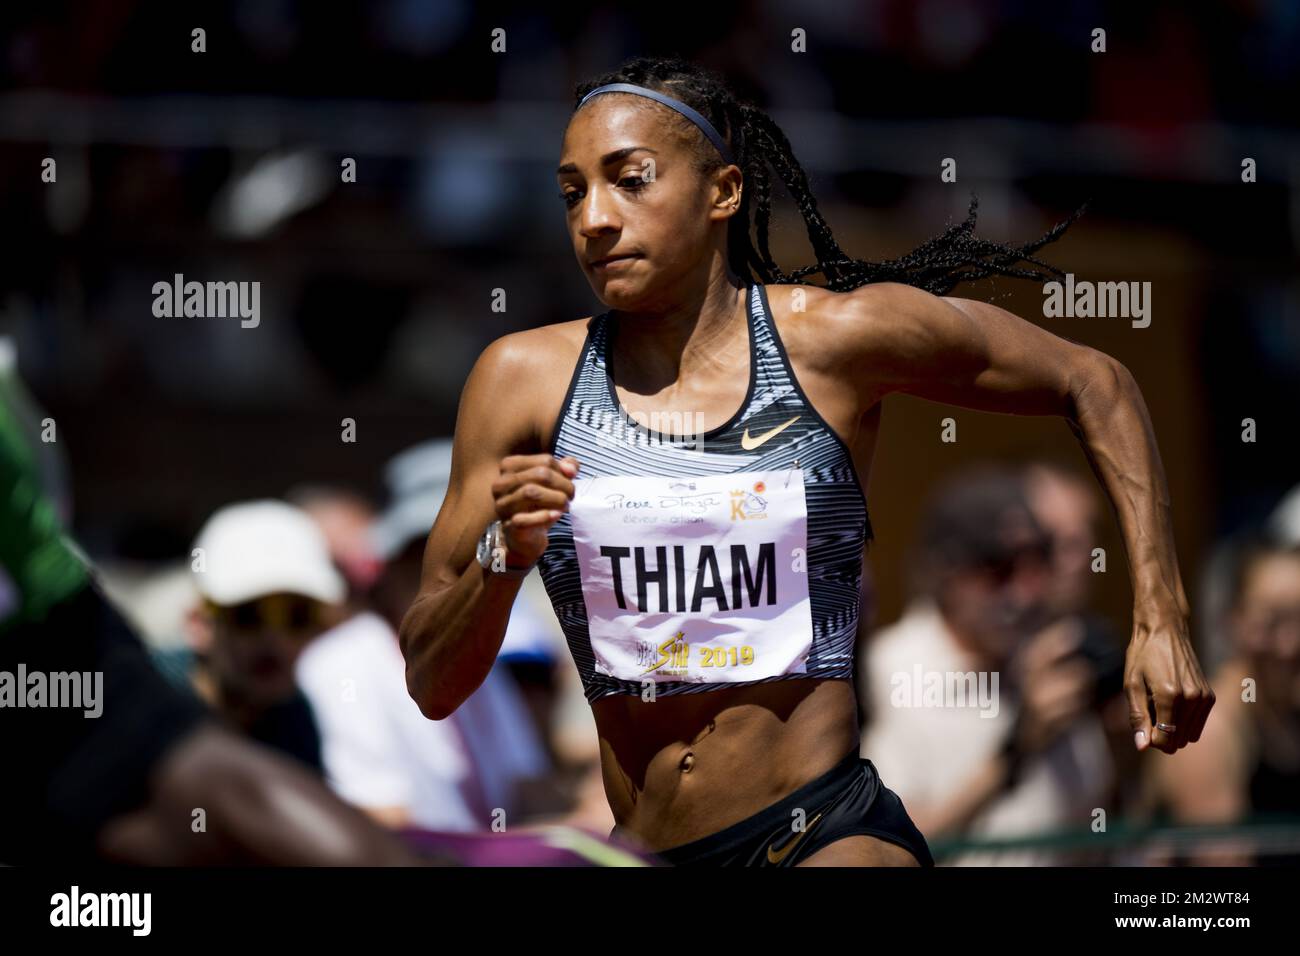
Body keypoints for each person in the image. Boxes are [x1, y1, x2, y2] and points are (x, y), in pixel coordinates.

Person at [398, 55, 1212, 867]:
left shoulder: (835, 343)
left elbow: (1093, 380)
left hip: (820, 827)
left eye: (631, 179)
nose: (595, 219)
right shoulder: (522, 381)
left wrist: (1161, 616)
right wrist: (502, 559)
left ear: (722, 190)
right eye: (573, 191)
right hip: (645, 850)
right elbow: (432, 685)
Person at [0, 383, 417, 864]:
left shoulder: (295, 715)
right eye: (248, 616)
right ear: (198, 624)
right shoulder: (134, 713)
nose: (273, 640)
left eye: (296, 617)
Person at [860, 466, 1115, 865]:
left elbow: (1098, 826)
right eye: (999, 567)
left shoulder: (1052, 661)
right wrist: (1014, 755)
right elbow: (890, 851)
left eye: (1039, 561)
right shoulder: (887, 671)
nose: (1025, 592)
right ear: (945, 571)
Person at [296, 440, 551, 829]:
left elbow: (528, 791)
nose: (443, 574)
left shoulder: (481, 659)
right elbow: (384, 823)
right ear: (391, 564)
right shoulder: (340, 665)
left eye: (466, 555)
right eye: (424, 554)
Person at [1151, 534, 1300, 865]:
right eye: (1271, 622)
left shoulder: (1288, 714)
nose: (1289, 644)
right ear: (1232, 621)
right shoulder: (1207, 730)